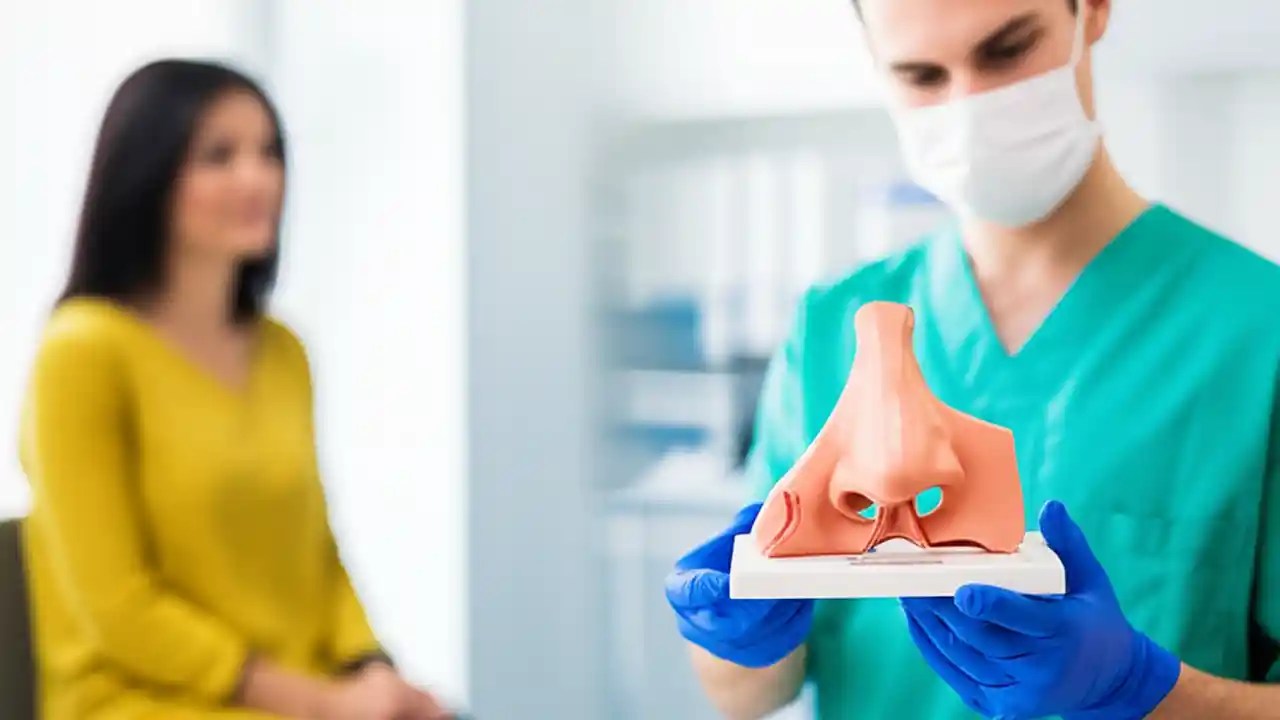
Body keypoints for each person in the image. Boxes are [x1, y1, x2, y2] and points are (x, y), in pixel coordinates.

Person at [664, 1, 1280, 718]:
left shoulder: (1255, 329)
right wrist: (740, 641)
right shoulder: (830, 324)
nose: (970, 108)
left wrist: (1143, 691)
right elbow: (748, 696)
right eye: (922, 75)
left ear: (1094, 13)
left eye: (1007, 50)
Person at [19, 60, 453, 719]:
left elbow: (315, 553)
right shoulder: (82, 352)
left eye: (269, 152)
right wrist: (324, 704)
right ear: (148, 175)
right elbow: (118, 608)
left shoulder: (283, 352)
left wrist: (372, 672)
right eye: (219, 156)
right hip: (142, 703)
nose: (258, 178)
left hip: (298, 696)